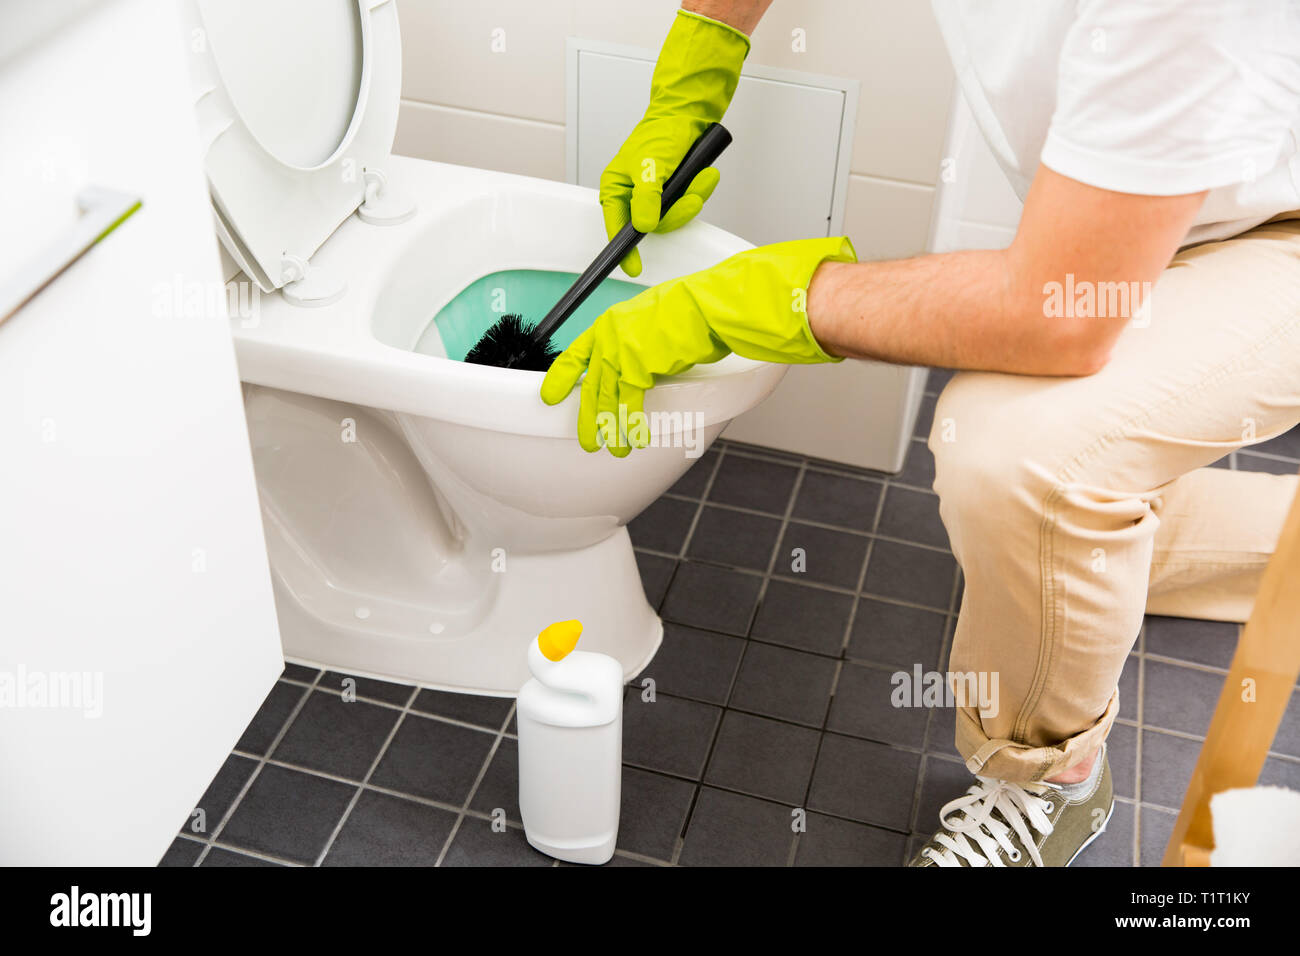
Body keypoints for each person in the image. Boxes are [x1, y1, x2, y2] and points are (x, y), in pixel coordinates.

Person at [538, 0, 1300, 866]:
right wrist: (692, 77)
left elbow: (1055, 314)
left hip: (1277, 229)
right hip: (1157, 207)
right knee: (1057, 549)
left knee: (1021, 459)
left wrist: (760, 301)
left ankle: (1056, 783)